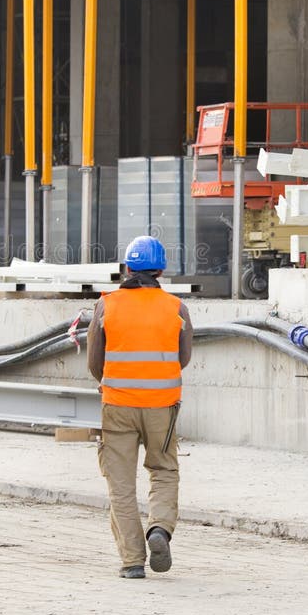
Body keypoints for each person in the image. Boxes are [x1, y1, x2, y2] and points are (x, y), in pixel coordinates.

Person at [87, 235, 193, 579]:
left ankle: (133, 561)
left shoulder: (107, 305)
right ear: (161, 269)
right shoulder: (176, 307)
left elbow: (94, 362)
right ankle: (159, 529)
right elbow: (184, 357)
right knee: (163, 471)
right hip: (162, 406)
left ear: (127, 268)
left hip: (118, 405)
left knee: (120, 484)